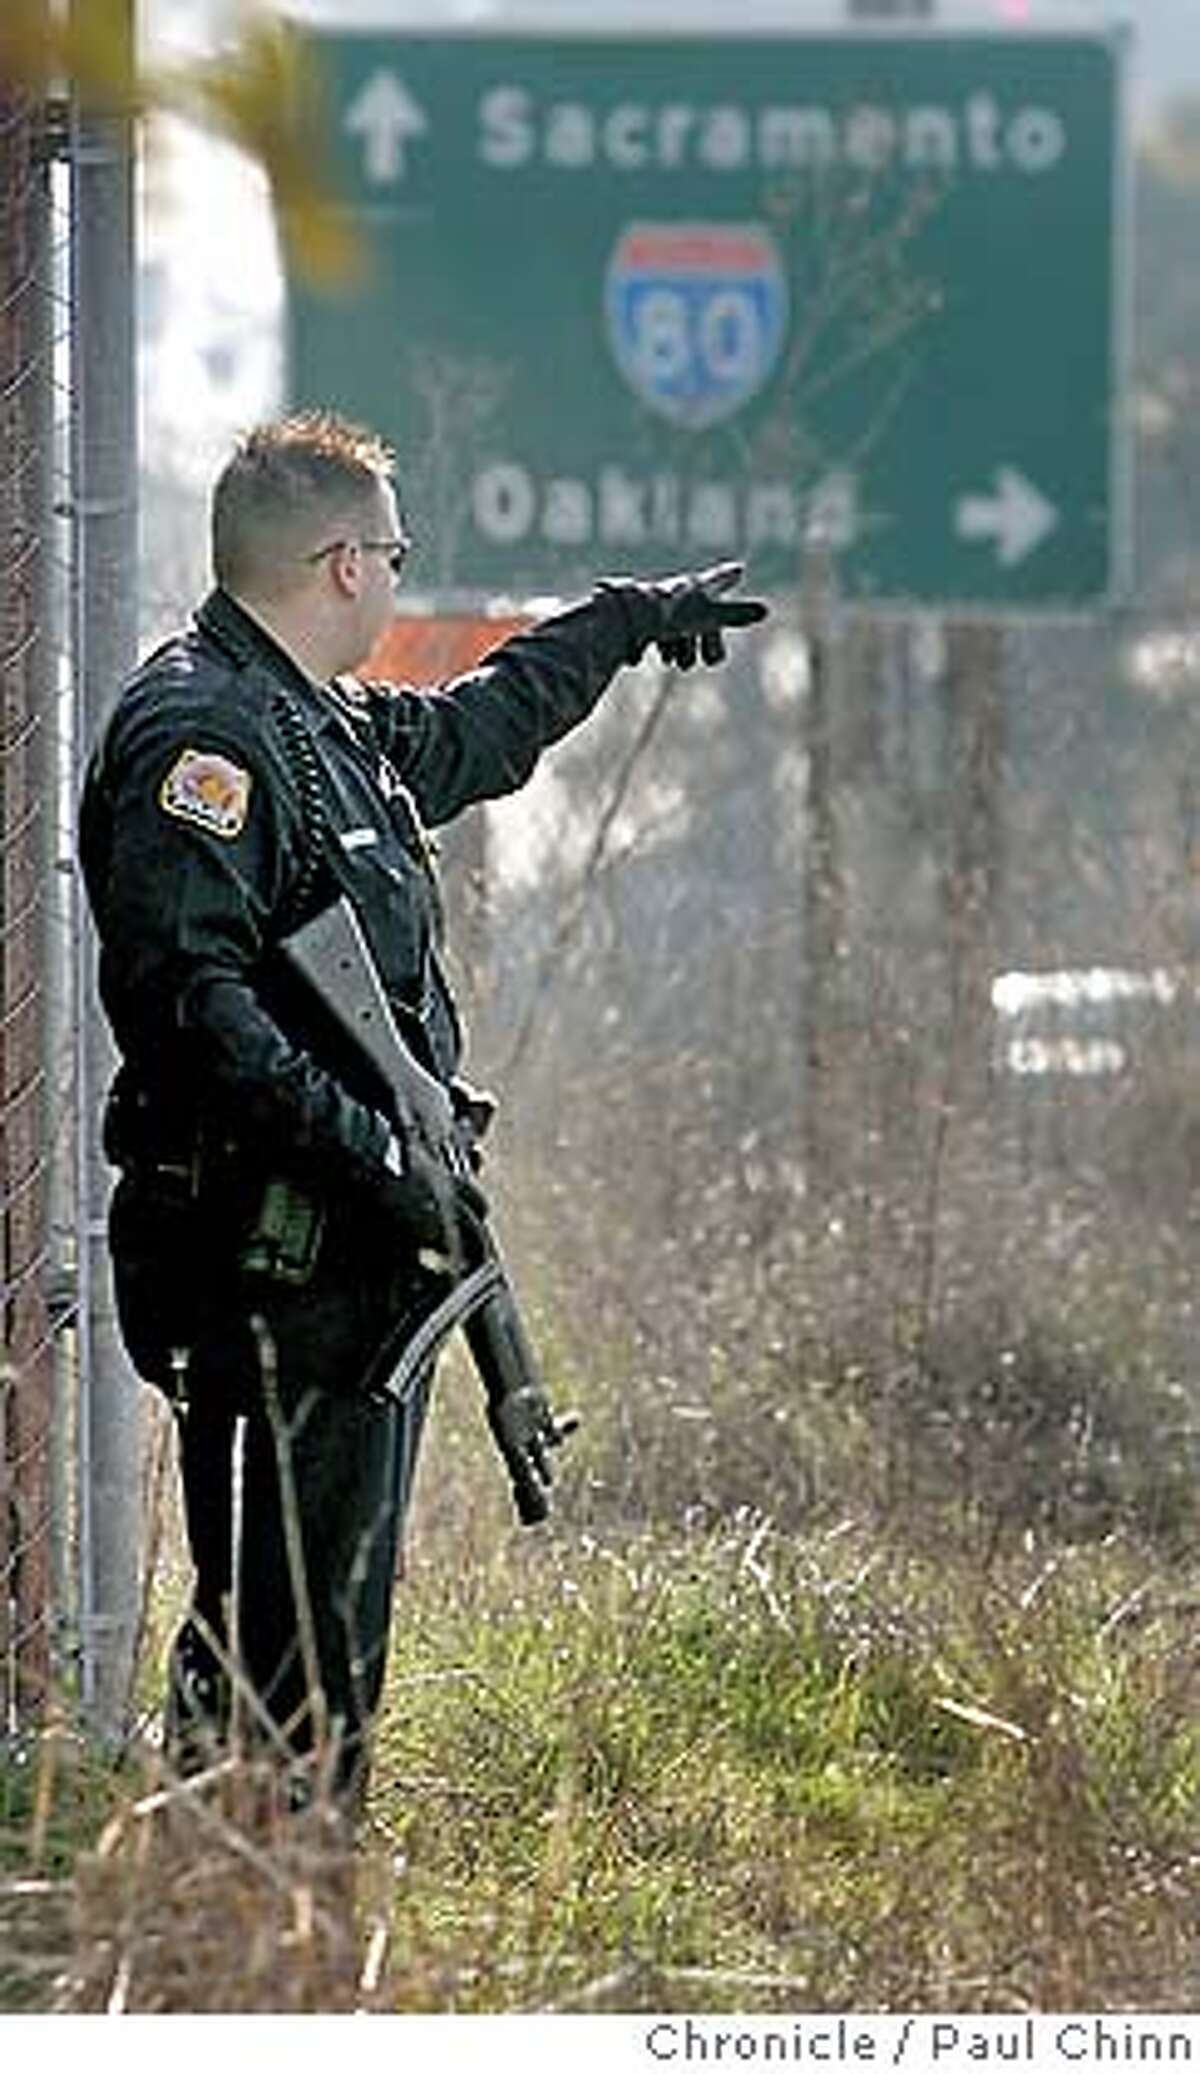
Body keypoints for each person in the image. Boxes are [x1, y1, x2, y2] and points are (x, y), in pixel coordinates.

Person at [78, 408, 767, 1805]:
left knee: (310, 1630)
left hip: (341, 1251)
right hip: (262, 1254)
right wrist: (380, 1149)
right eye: (392, 555)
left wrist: (618, 624)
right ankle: (265, 1929)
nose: (398, 578)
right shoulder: (204, 732)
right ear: (342, 565)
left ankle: (250, 1902)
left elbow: (476, 733)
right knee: (292, 1651)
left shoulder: (315, 723)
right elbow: (189, 1004)